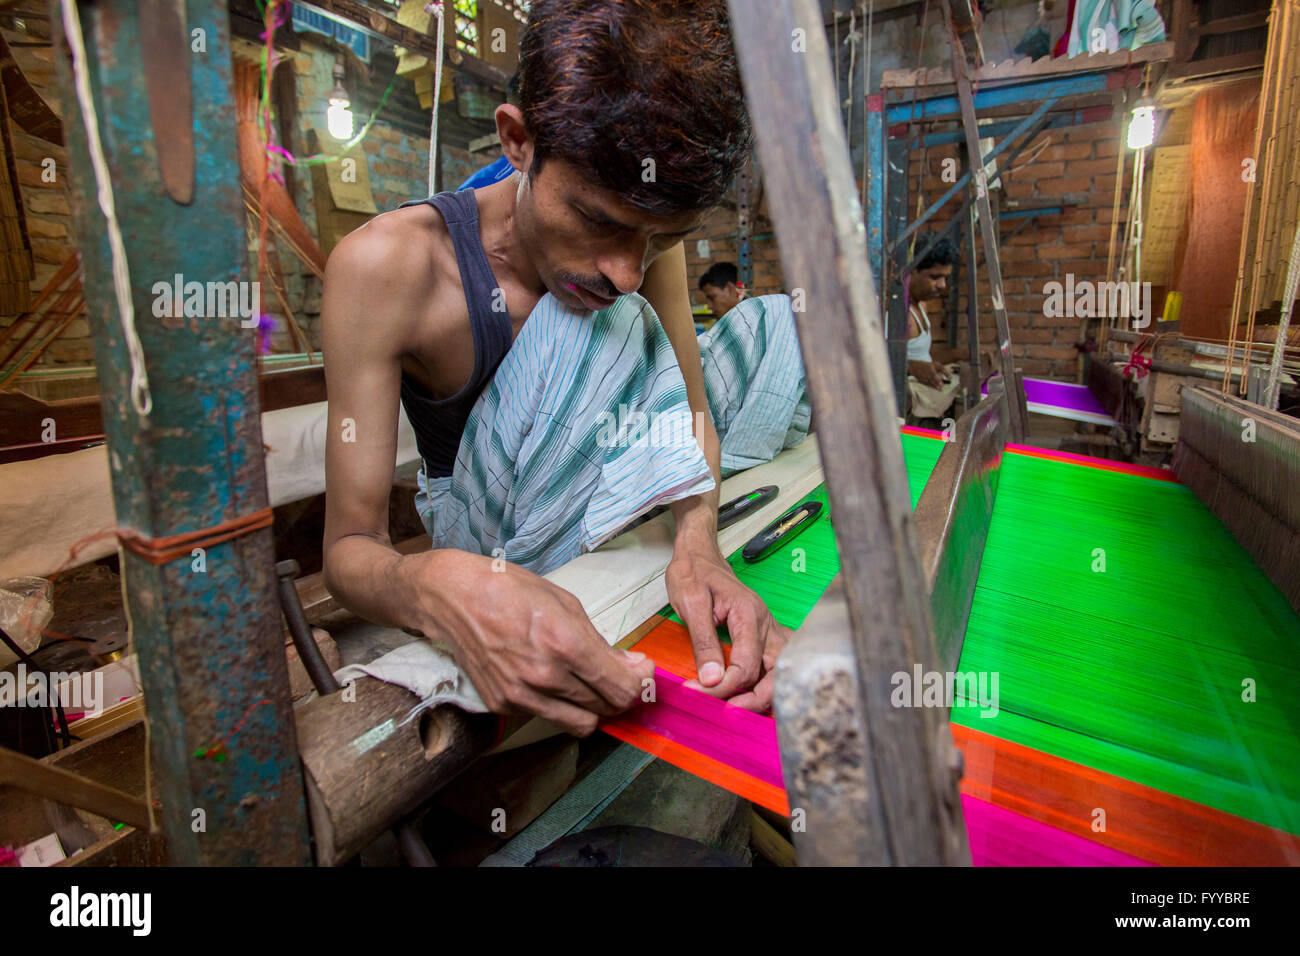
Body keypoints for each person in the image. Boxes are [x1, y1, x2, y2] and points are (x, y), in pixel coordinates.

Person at [321, 0, 788, 738]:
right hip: (489, 539)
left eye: (664, 239)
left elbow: (690, 416)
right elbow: (349, 551)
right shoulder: (388, 267)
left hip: (603, 500)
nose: (629, 271)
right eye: (599, 220)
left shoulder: (633, 246)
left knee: (778, 321)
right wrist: (433, 583)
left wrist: (699, 543)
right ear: (517, 139)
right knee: (599, 319)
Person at [906, 236, 961, 388]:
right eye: (935, 277)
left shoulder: (921, 305)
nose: (942, 285)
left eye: (945, 278)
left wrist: (962, 354)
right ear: (913, 271)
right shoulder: (896, 313)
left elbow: (922, 357)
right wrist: (910, 368)